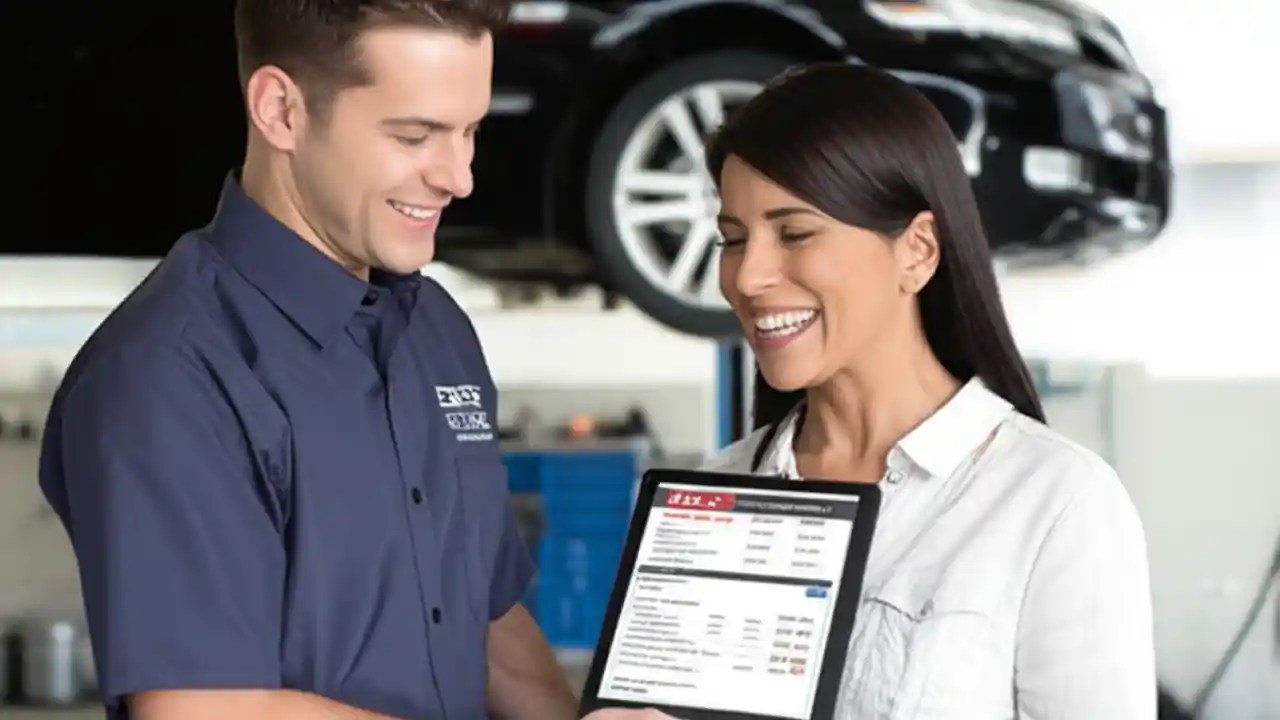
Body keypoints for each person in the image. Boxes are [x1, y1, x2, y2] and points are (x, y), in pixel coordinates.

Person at [36, 2, 584, 719]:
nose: (459, 177)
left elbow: (484, 614)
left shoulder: (436, 329)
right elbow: (201, 711)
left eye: (470, 131)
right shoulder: (166, 375)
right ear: (280, 110)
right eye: (415, 135)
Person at [593, 63, 1158, 719]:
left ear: (916, 251)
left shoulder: (1055, 503)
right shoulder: (707, 496)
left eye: (795, 233)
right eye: (732, 239)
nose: (748, 276)